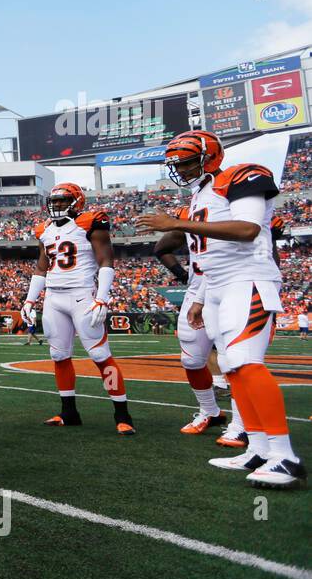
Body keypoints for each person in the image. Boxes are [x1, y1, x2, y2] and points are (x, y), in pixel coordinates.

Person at [137, 131, 304, 489]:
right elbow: (203, 252)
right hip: (215, 287)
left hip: (248, 280)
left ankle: (284, 456)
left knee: (246, 362)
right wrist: (199, 298)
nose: (179, 169)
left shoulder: (243, 175)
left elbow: (246, 229)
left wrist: (177, 223)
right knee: (231, 368)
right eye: (176, 164)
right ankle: (257, 448)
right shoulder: (201, 193)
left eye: (185, 162)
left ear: (208, 157)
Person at [22, 183, 134, 434]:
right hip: (53, 298)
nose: (58, 205)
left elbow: (106, 260)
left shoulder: (90, 222)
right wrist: (30, 300)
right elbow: (42, 267)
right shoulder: (44, 229)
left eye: (63, 200)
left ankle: (122, 414)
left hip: (82, 295)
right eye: (55, 201)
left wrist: (102, 298)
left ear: (77, 202)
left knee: (99, 355)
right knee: (59, 356)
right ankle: (69, 412)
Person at [151, 207, 232, 438]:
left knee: (234, 360)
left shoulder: (230, 208)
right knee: (192, 359)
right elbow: (161, 248)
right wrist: (182, 274)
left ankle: (244, 422)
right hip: (196, 290)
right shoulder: (189, 211)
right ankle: (209, 411)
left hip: (228, 287)